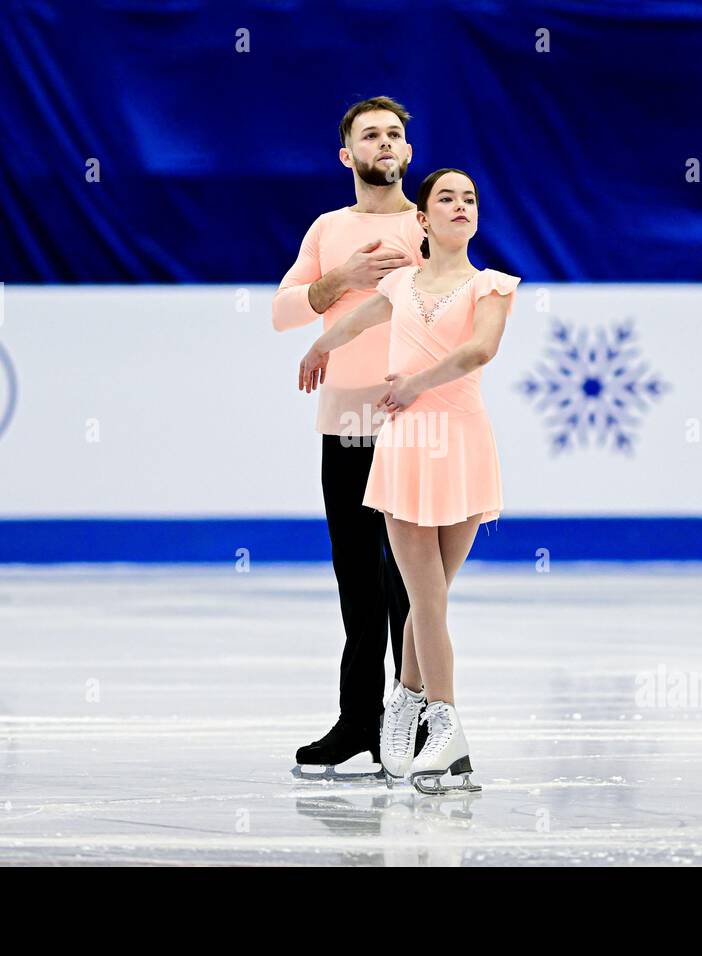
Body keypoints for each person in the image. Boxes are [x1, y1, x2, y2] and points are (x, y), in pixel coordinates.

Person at [299, 168, 520, 793]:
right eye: (446, 198)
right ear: (422, 219)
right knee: (426, 599)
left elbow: (481, 352)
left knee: (431, 598)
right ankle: (443, 733)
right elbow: (355, 322)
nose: (461, 206)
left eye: (470, 198)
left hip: (460, 444)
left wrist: (417, 384)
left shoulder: (493, 286)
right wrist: (318, 350)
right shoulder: (399, 284)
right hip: (402, 449)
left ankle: (409, 706)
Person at [273, 96, 427, 774]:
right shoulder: (328, 229)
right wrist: (337, 281)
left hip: (414, 419)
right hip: (346, 422)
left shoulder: (431, 226)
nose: (385, 143)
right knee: (358, 576)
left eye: (395, 134)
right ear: (348, 155)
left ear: (409, 152)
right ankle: (358, 718)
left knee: (412, 579)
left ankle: (415, 718)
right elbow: (281, 312)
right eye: (372, 135)